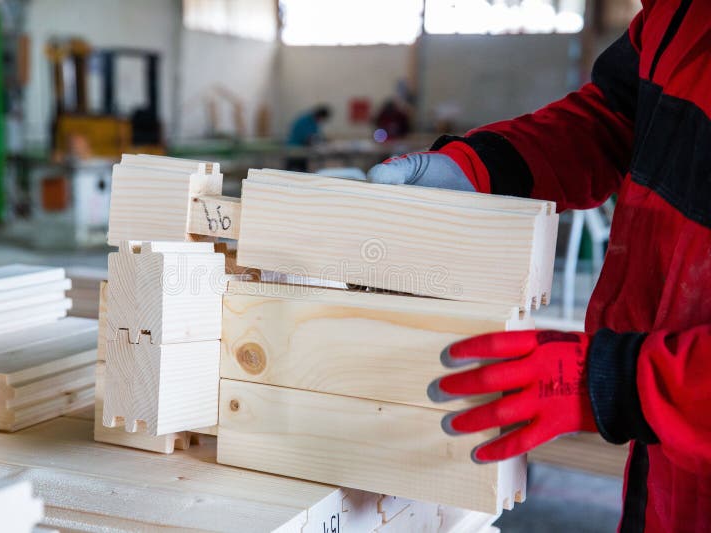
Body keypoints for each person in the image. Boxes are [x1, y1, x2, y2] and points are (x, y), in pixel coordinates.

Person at [367, 4, 709, 532]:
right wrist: (480, 167)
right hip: (667, 451)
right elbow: (615, 119)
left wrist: (624, 382)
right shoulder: (678, 15)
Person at [285, 105, 332, 171]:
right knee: (292, 170)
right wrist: (319, 142)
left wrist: (323, 140)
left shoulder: (314, 122)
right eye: (323, 119)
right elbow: (307, 138)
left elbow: (316, 135)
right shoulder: (305, 120)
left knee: (302, 170)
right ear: (320, 116)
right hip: (295, 149)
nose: (322, 121)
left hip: (303, 151)